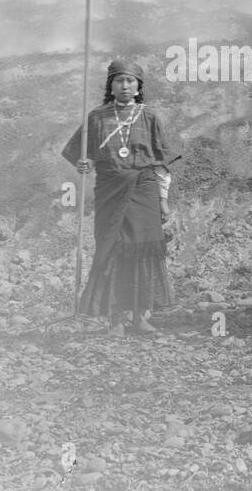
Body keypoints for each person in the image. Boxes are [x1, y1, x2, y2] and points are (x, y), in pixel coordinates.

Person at [62, 60, 181, 335]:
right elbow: (83, 156)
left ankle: (140, 317)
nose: (125, 86)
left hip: (144, 189)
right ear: (111, 86)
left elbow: (160, 162)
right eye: (119, 81)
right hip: (109, 190)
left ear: (139, 86)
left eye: (130, 81)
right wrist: (83, 164)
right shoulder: (96, 117)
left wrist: (163, 200)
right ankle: (115, 319)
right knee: (113, 248)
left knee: (143, 250)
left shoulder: (150, 117)